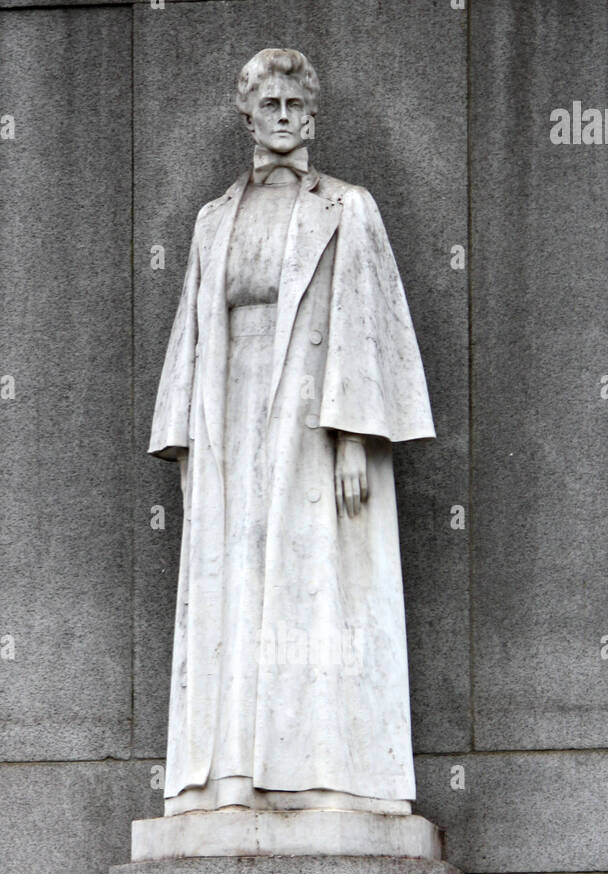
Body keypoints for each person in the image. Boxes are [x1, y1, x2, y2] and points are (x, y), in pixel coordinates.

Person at [149, 48, 435, 817]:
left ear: (312, 116)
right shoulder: (215, 219)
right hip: (231, 418)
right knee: (234, 593)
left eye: (293, 105)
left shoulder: (347, 207)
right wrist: (186, 439)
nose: (280, 116)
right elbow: (192, 336)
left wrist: (352, 436)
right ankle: (230, 776)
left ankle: (324, 775)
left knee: (313, 596)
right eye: (267, 104)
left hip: (313, 418)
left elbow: (368, 327)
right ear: (246, 115)